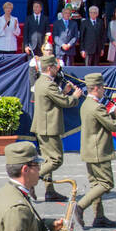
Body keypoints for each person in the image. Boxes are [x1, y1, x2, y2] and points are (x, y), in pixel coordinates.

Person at [73, 73, 116, 229]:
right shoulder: (97, 106)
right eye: (103, 87)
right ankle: (80, 206)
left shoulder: (87, 104)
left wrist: (113, 114)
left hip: (89, 149)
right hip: (98, 150)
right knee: (106, 183)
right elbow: (113, 126)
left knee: (96, 184)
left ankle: (99, 217)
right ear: (97, 88)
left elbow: (99, 122)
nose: (104, 90)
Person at [32, 56, 81, 202]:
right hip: (49, 127)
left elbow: (53, 100)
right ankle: (30, 180)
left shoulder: (42, 82)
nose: (57, 69)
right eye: (55, 66)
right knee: (56, 160)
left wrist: (64, 92)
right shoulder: (48, 84)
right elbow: (64, 102)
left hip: (42, 126)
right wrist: (74, 96)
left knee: (48, 159)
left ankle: (49, 191)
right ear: (49, 68)